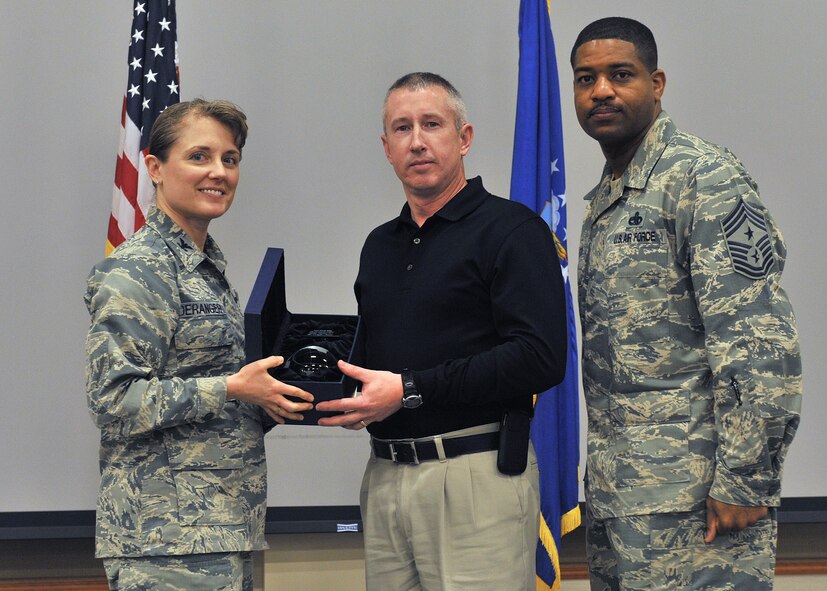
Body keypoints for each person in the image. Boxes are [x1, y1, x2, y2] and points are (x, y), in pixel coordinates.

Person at [571, 17, 803, 591]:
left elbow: (757, 341)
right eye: (585, 78)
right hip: (622, 497)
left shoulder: (704, 179)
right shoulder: (607, 195)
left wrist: (747, 480)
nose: (601, 90)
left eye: (619, 74)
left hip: (698, 505)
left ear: (657, 84)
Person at [314, 72, 568, 590]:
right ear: (387, 149)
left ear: (464, 137)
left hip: (475, 475)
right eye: (402, 129)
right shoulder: (378, 246)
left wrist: (408, 390)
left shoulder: (513, 231)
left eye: (432, 124)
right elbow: (371, 355)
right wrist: (315, 388)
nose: (418, 141)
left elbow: (540, 358)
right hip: (385, 476)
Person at [85, 99, 314, 590]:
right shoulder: (138, 269)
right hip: (164, 544)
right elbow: (114, 401)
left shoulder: (204, 269)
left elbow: (214, 392)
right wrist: (233, 389)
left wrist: (274, 397)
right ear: (154, 168)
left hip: (219, 530)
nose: (219, 172)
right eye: (199, 156)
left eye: (229, 159)